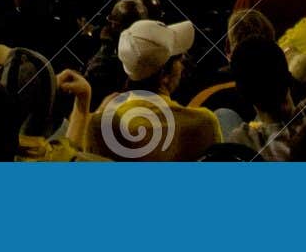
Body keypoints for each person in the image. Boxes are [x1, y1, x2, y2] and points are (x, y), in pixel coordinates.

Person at [86, 20, 220, 161]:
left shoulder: (100, 128)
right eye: (179, 60)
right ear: (164, 75)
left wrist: (97, 115)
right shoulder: (204, 122)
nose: (182, 66)